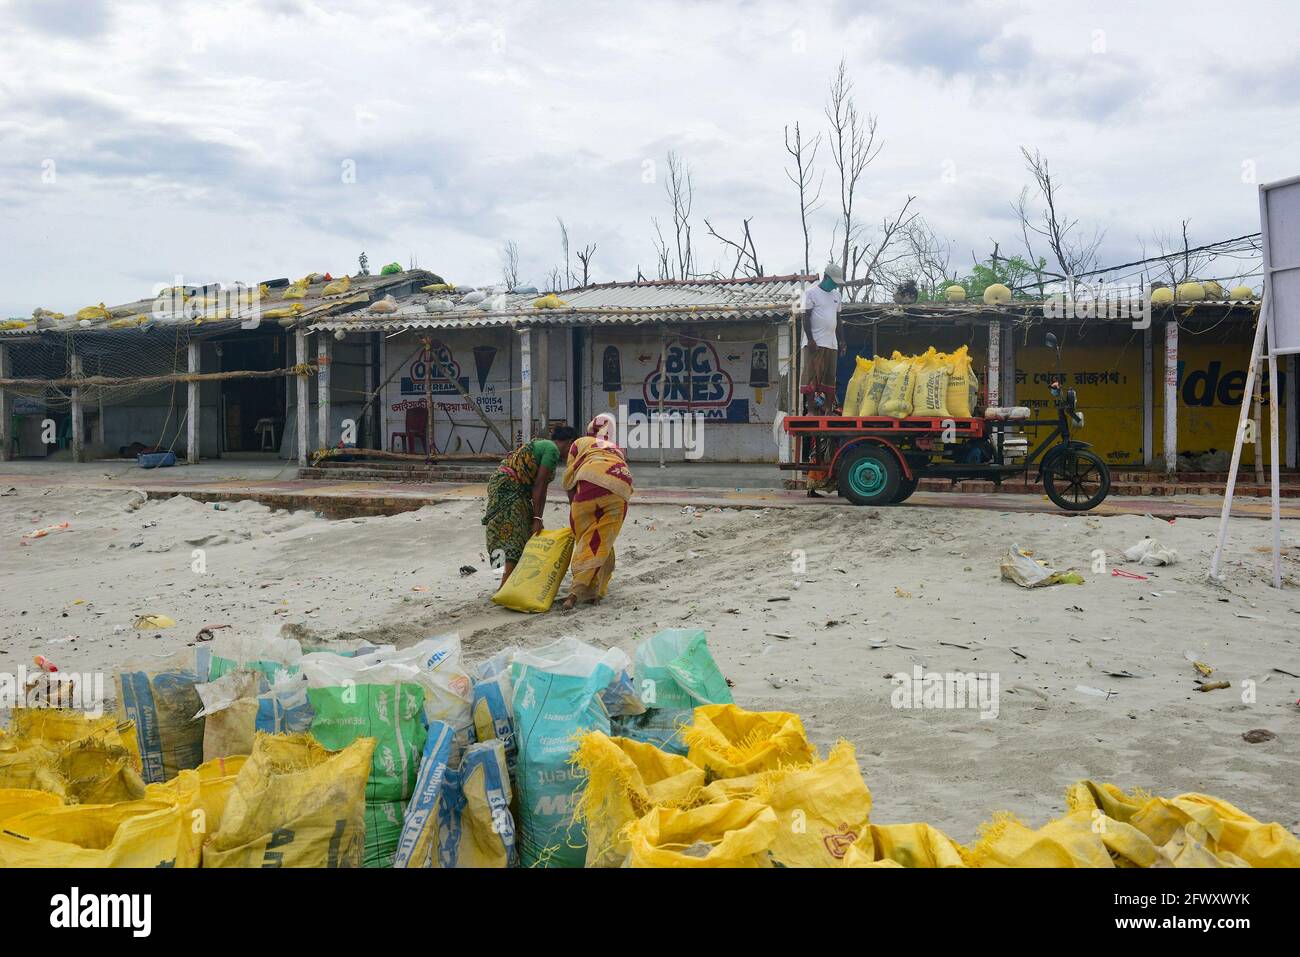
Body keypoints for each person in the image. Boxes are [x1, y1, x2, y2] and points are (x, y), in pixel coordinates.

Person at [483, 424, 579, 585]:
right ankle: (504, 585)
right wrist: (537, 518)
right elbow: (539, 486)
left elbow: (543, 489)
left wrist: (537, 517)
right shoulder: (552, 450)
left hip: (504, 486)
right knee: (514, 535)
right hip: (509, 489)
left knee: (505, 531)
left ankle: (507, 577)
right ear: (570, 442)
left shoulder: (545, 447)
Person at [560, 414, 633, 610]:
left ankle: (575, 594)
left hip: (590, 482)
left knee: (585, 539)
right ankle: (595, 592)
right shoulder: (618, 449)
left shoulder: (580, 443)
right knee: (602, 540)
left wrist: (575, 508)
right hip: (621, 488)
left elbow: (570, 479)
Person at [798, 262, 845, 412]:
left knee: (830, 376)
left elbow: (838, 319)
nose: (836, 286)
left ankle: (828, 409)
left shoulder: (837, 295)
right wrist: (810, 339)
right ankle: (811, 410)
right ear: (826, 278)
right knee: (812, 375)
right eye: (834, 282)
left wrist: (842, 341)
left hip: (831, 343)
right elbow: (806, 317)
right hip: (815, 342)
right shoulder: (811, 293)